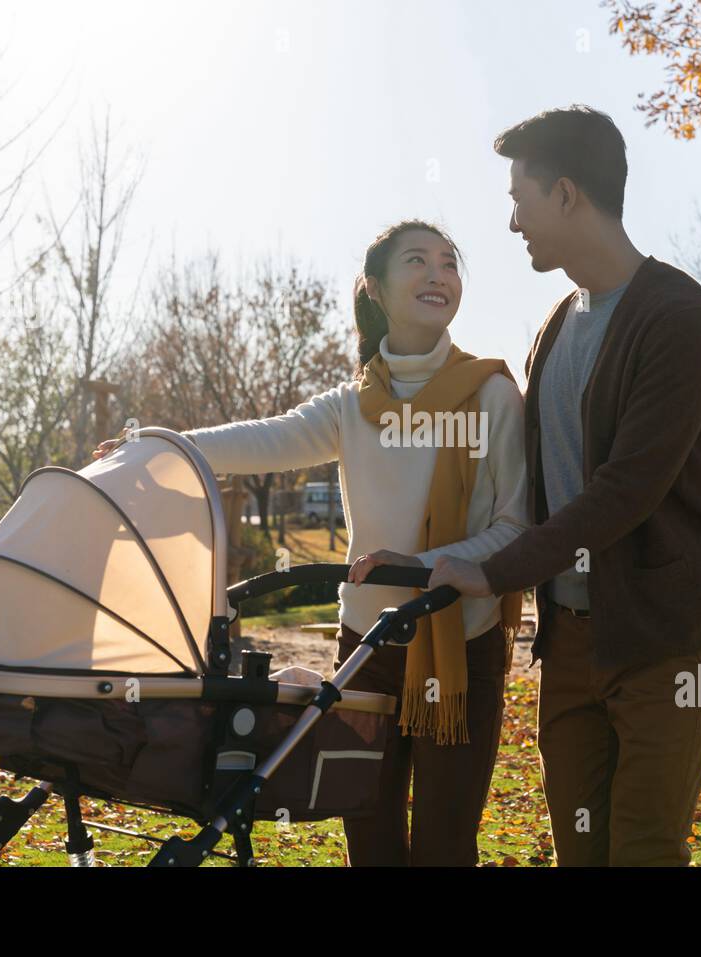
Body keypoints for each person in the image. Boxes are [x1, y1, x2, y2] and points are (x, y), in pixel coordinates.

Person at [96, 220, 527, 866]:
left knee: (445, 844)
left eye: (449, 262)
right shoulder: (353, 405)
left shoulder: (492, 394)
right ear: (375, 288)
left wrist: (425, 567)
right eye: (418, 261)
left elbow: (516, 528)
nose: (439, 274)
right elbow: (267, 438)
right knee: (369, 839)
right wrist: (166, 444)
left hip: (461, 647)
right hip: (366, 647)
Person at [427, 106, 701, 866]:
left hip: (667, 636)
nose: (513, 223)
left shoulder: (677, 317)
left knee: (641, 850)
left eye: (520, 199)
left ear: (566, 193)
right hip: (570, 642)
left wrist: (491, 571)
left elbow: (625, 491)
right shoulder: (553, 327)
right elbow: (537, 486)